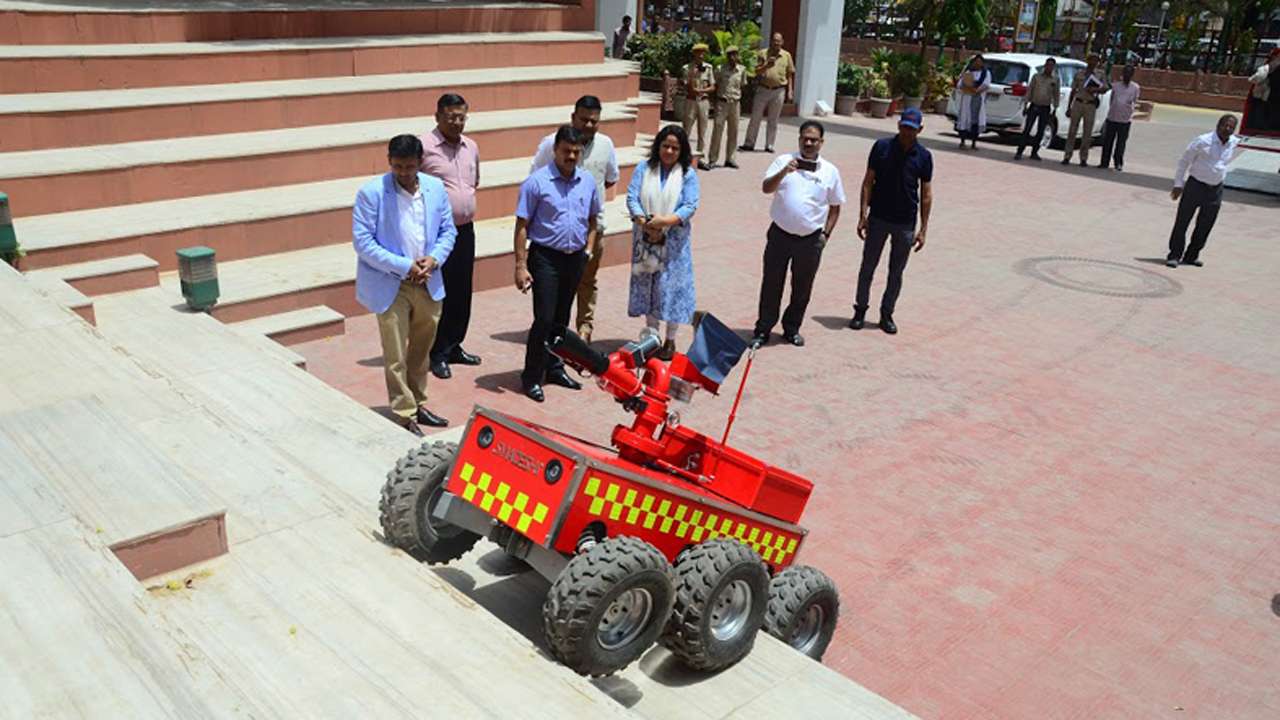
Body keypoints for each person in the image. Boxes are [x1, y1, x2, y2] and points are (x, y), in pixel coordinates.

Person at [352, 134, 456, 433]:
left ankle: (419, 401)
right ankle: (404, 413)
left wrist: (433, 259)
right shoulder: (371, 193)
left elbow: (448, 231)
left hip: (428, 280)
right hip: (391, 283)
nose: (403, 173)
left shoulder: (435, 189)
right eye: (397, 166)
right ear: (389, 162)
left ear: (420, 163)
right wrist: (404, 266)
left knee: (421, 350)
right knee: (395, 354)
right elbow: (363, 242)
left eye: (409, 167)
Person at [515, 125, 601, 402]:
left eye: (576, 152)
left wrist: (587, 251)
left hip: (574, 259)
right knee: (544, 319)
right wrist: (520, 264)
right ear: (555, 150)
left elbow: (593, 220)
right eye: (566, 151)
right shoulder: (537, 183)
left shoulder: (587, 182)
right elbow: (522, 225)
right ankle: (531, 376)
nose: (572, 156)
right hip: (546, 258)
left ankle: (555, 368)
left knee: (562, 320)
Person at [531, 95, 619, 343]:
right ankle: (553, 334)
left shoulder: (606, 144)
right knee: (557, 292)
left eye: (594, 121)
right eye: (584, 120)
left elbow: (610, 178)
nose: (589, 126)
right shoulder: (551, 144)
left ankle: (583, 331)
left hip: (591, 229)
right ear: (573, 117)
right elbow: (535, 180)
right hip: (556, 236)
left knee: (588, 282)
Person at [750, 121, 845, 349]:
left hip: (810, 240)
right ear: (799, 139)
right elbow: (766, 188)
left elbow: (835, 206)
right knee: (772, 283)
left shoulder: (830, 172)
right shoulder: (783, 161)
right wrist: (785, 171)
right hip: (779, 235)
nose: (809, 143)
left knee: (802, 287)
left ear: (821, 142)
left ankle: (791, 328)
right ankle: (763, 329)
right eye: (805, 138)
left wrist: (825, 236)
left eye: (814, 139)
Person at [852, 109, 933, 335]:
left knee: (896, 272)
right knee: (868, 266)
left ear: (920, 130)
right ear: (898, 125)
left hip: (905, 223)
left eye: (912, 128)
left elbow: (926, 194)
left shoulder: (924, 157)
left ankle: (886, 314)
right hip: (878, 218)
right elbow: (868, 182)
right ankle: (860, 310)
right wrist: (862, 215)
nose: (907, 132)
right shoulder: (881, 147)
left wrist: (923, 229)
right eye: (904, 126)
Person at [421, 93, 482, 381]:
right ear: (437, 117)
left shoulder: (471, 146)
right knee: (439, 292)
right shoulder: (424, 147)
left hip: (466, 230)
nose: (457, 122)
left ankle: (455, 344)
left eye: (461, 117)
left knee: (462, 291)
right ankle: (437, 352)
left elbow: (474, 182)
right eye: (451, 117)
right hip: (436, 234)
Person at [627, 126, 700, 359]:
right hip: (646, 236)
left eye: (675, 147)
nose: (669, 151)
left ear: (682, 150)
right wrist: (645, 221)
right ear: (658, 146)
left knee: (670, 289)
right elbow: (631, 197)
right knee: (650, 287)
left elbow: (690, 205)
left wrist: (664, 223)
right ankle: (651, 338)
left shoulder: (688, 174)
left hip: (673, 244)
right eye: (665, 146)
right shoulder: (643, 168)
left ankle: (669, 340)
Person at [1165, 114, 1242, 269]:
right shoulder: (1202, 141)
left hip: (1215, 189)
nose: (1227, 129)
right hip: (1195, 186)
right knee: (1183, 221)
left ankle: (1192, 255)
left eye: (1231, 127)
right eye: (1225, 125)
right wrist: (1178, 184)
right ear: (1217, 125)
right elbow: (1184, 162)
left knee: (1206, 224)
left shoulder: (1233, 142)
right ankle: (1174, 255)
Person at [740, 33, 795, 154]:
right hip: (763, 89)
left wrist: (790, 91)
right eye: (774, 41)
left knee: (773, 120)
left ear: (782, 42)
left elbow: (790, 74)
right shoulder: (762, 53)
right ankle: (749, 143)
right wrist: (767, 65)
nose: (776, 43)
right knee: (755, 117)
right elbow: (756, 71)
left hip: (779, 90)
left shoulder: (786, 55)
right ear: (771, 41)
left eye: (779, 41)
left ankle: (769, 145)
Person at [1063, 54, 1107, 166]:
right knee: (1072, 131)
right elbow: (1073, 90)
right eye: (1091, 60)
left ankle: (1083, 158)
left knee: (1087, 132)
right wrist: (1069, 107)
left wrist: (1095, 89)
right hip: (1078, 102)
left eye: (1095, 60)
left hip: (1090, 105)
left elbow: (1105, 88)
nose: (1093, 62)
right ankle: (1067, 155)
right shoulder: (1080, 74)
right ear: (1087, 61)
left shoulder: (1100, 74)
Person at [708, 45, 746, 170]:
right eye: (730, 55)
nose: (732, 57)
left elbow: (742, 86)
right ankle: (713, 159)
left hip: (735, 103)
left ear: (738, 56)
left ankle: (730, 159)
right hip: (722, 103)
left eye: (735, 54)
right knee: (717, 131)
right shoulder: (720, 69)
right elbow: (715, 86)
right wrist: (713, 103)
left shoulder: (742, 70)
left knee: (733, 132)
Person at [1014, 58, 1060, 161]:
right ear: (1045, 66)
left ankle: (1034, 152)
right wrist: (1026, 104)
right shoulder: (1037, 77)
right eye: (1047, 65)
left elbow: (1056, 94)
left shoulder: (1055, 79)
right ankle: (1020, 151)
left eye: (1051, 66)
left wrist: (1055, 108)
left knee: (1040, 130)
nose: (1049, 67)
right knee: (1027, 129)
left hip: (1046, 107)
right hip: (1035, 105)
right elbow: (1030, 90)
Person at [1099, 64, 1140, 171]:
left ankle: (1118, 163)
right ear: (1122, 74)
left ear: (1132, 75)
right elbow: (1111, 100)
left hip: (1125, 120)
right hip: (1112, 118)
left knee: (1121, 144)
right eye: (1125, 73)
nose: (1127, 75)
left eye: (1129, 73)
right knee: (1107, 142)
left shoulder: (1135, 88)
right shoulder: (1115, 86)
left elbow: (1135, 101)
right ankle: (1104, 162)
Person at [681, 43, 715, 167]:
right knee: (686, 129)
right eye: (698, 52)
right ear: (694, 54)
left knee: (702, 131)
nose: (701, 55)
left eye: (703, 53)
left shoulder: (709, 68)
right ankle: (683, 155)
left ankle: (700, 157)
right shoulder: (687, 68)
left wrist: (702, 91)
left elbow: (713, 86)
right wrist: (692, 74)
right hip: (691, 101)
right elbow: (685, 85)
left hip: (704, 101)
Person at [954, 54, 991, 150]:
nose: (978, 64)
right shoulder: (968, 72)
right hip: (967, 98)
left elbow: (986, 85)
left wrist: (976, 90)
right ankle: (962, 141)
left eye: (980, 62)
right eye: (976, 62)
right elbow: (960, 85)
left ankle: (974, 143)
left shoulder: (985, 73)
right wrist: (968, 87)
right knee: (964, 119)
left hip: (977, 99)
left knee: (976, 120)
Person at [1245, 48, 1280, 134]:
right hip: (1265, 95)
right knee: (1261, 112)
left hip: (1273, 96)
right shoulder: (1267, 67)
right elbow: (1254, 79)